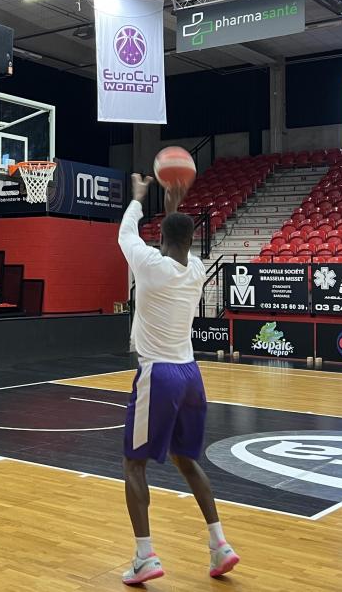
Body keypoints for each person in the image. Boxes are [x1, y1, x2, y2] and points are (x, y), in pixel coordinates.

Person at [117, 174, 239, 585]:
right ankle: (220, 545)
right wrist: (173, 207)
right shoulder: (198, 269)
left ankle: (144, 555)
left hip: (159, 374)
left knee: (134, 466)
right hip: (191, 374)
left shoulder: (150, 266)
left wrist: (138, 198)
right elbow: (176, 240)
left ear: (163, 239)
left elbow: (126, 234)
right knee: (187, 461)